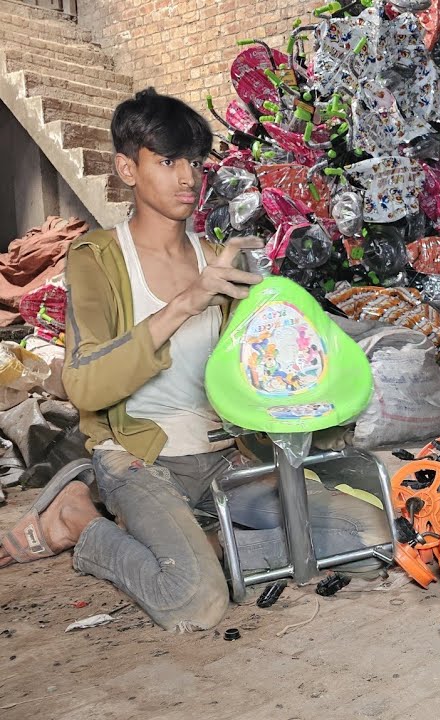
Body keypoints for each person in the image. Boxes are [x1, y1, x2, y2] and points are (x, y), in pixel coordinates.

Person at [0, 89, 389, 631]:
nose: (188, 178)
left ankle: (212, 544)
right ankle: (80, 520)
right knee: (195, 601)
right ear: (127, 169)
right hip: (140, 459)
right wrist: (186, 302)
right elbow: (84, 386)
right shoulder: (98, 258)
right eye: (167, 161)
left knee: (373, 540)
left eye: (196, 162)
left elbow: (255, 369)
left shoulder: (219, 260)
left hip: (223, 458)